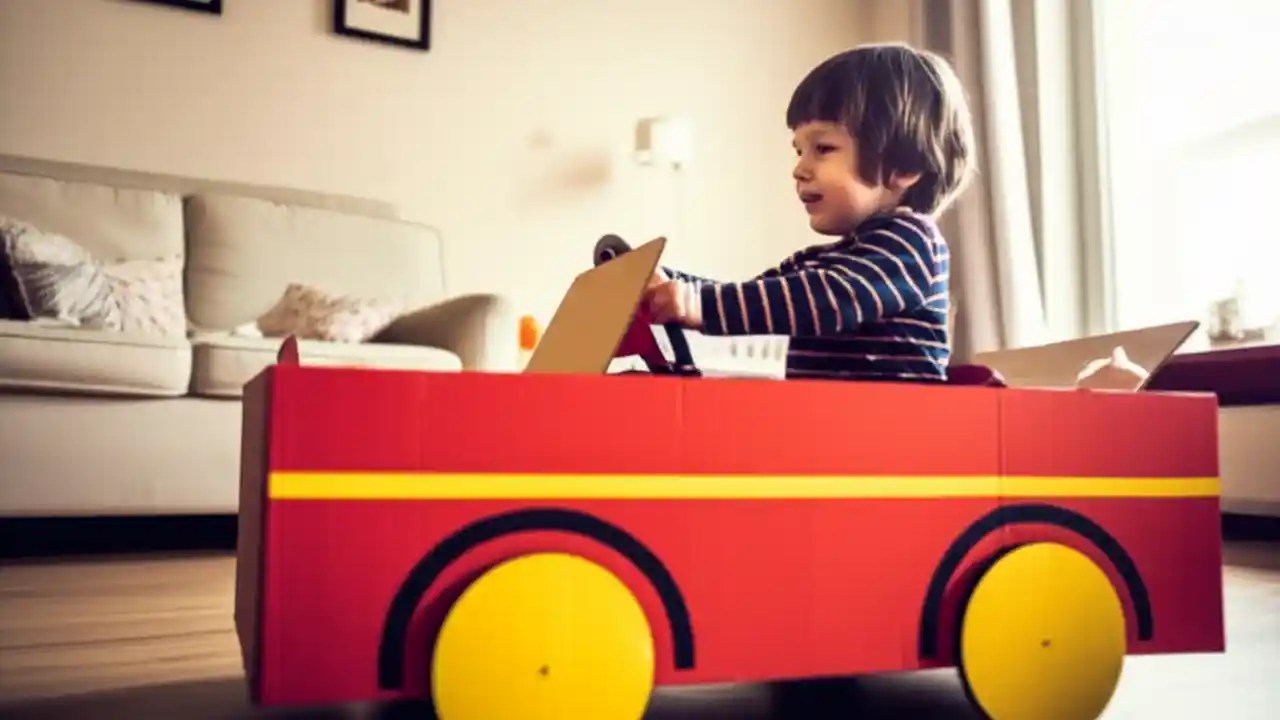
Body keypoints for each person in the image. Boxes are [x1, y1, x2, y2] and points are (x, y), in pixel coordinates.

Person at [642, 43, 975, 382]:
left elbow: (831, 299)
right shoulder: (825, 264)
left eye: (823, 148)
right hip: (833, 426)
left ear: (905, 165)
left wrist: (700, 304)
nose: (799, 169)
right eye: (800, 151)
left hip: (894, 430)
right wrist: (670, 285)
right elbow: (754, 296)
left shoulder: (912, 244)